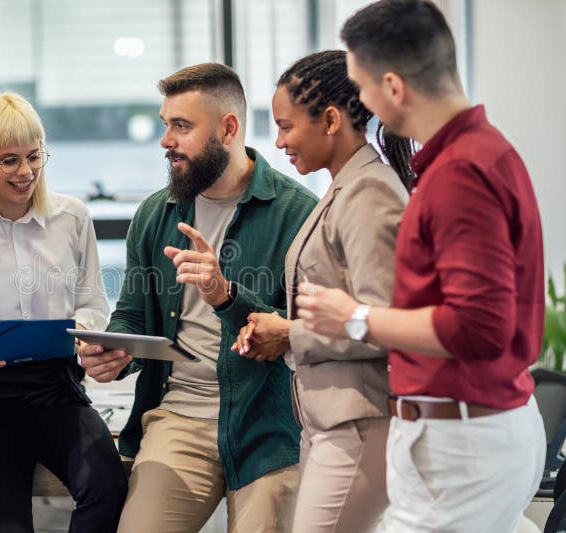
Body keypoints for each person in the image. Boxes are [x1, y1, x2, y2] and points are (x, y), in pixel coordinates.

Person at [295, 2, 547, 531]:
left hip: (460, 446)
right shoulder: (481, 152)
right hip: (469, 435)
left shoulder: (461, 172)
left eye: (362, 86)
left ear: (393, 86)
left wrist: (353, 316)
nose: (361, 101)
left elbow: (477, 326)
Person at [79, 63, 318, 532]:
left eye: (181, 126)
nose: (166, 140)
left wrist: (226, 295)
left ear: (228, 129)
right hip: (180, 417)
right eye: (166, 124)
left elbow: (305, 336)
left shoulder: (298, 214)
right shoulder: (155, 213)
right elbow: (130, 315)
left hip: (267, 424)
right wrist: (115, 352)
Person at [232, 50, 412, 532]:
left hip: (358, 423)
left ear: (330, 119)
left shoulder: (369, 192)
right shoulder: (342, 188)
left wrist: (290, 333)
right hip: (325, 423)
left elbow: (386, 323)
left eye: (287, 126)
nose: (279, 141)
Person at [0, 92, 127, 533]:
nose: (26, 172)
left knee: (106, 487)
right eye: (9, 160)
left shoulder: (72, 218)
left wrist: (84, 330)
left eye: (34, 156)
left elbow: (93, 301)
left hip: (56, 391)